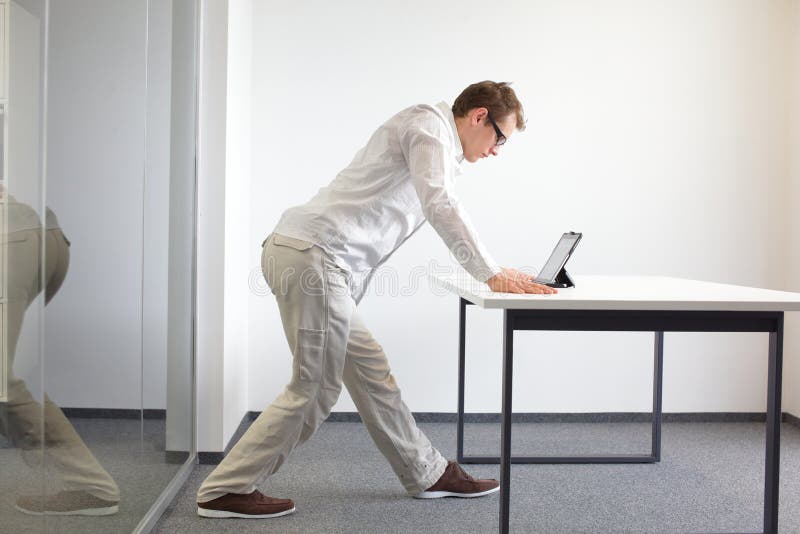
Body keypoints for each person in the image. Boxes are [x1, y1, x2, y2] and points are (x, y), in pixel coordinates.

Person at [196, 81, 557, 519]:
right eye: (500, 138)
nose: (497, 150)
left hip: (316, 259)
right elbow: (440, 203)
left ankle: (427, 472)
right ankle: (225, 489)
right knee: (314, 387)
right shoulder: (428, 126)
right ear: (480, 116)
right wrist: (491, 272)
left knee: (370, 372)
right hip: (313, 256)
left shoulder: (436, 139)